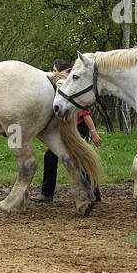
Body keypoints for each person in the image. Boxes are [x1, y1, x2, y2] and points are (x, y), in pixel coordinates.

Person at [37, 58, 102, 203]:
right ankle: (47, 193)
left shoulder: (68, 86)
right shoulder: (60, 86)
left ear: (61, 71)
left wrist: (93, 132)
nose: (52, 72)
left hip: (78, 128)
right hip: (69, 129)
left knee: (81, 158)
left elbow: (85, 114)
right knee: (51, 156)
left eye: (54, 70)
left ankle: (95, 194)